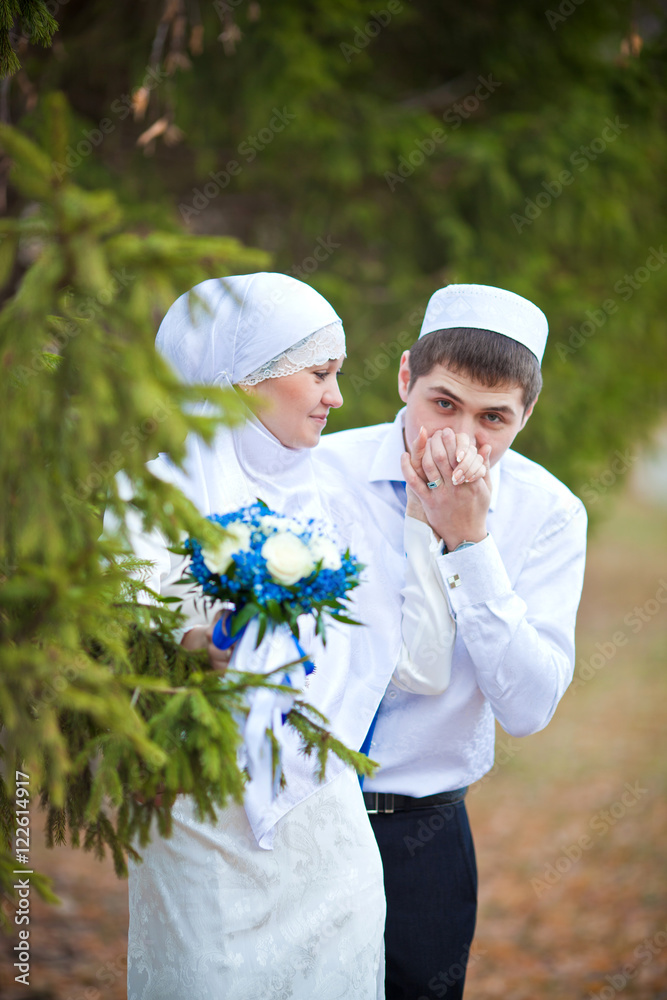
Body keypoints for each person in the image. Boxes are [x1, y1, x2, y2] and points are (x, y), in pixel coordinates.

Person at [122, 272, 484, 1000]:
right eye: (319, 373)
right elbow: (118, 657)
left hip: (326, 835)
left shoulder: (335, 499)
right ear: (240, 378)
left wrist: (429, 528)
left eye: (339, 374)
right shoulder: (147, 501)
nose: (336, 397)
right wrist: (193, 647)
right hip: (201, 823)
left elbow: (417, 667)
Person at [315, 282, 588, 999]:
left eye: (492, 417)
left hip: (423, 834)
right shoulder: (320, 472)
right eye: (443, 403)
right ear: (405, 377)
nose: (462, 438)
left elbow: (528, 707)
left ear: (524, 416)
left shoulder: (550, 513)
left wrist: (472, 546)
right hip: (303, 815)